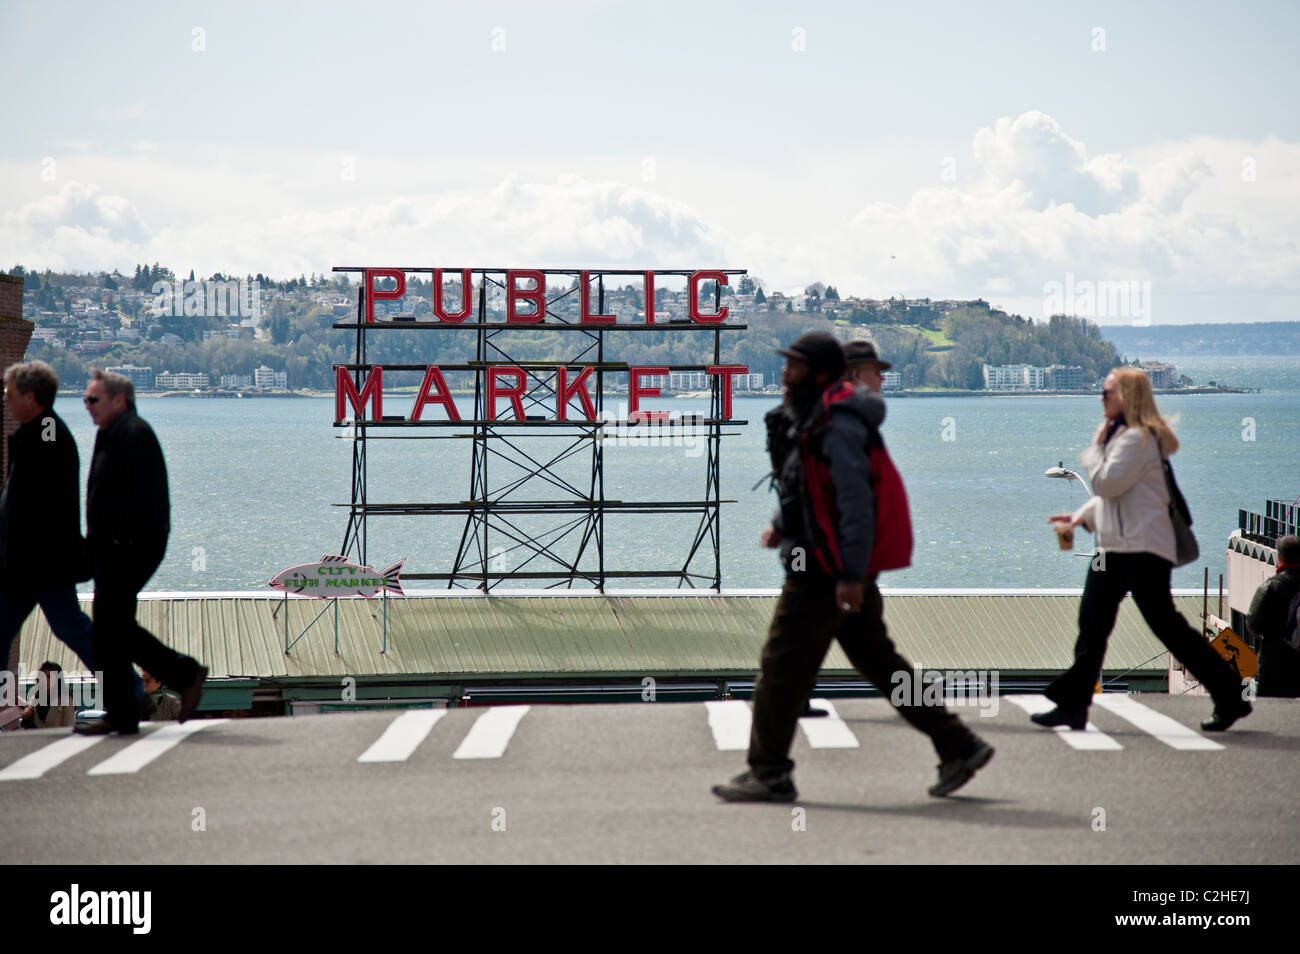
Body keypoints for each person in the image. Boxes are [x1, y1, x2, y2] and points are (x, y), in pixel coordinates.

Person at [713, 332, 993, 802]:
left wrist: (849, 575)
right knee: (878, 661)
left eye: (794, 366)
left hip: (824, 568)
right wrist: (783, 524)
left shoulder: (835, 424)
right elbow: (808, 487)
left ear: (821, 374)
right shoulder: (817, 417)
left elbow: (855, 504)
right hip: (834, 562)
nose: (784, 373)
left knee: (780, 668)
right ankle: (959, 744)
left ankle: (769, 772)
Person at [1037, 367, 1251, 732]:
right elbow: (1117, 498)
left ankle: (1230, 694)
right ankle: (1074, 704)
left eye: (1107, 393)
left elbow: (1107, 483)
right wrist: (1081, 518)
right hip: (1117, 548)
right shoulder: (1125, 436)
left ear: (1126, 398)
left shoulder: (1136, 439)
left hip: (1141, 551)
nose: (1101, 399)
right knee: (1093, 623)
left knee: (1164, 627)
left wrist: (1094, 449)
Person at [74, 369, 206, 736]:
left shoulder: (133, 434)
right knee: (112, 629)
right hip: (115, 548)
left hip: (128, 548)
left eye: (93, 399)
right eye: (86, 399)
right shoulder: (113, 433)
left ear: (121, 399)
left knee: (111, 627)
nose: (87, 406)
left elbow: (140, 501)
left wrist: (116, 543)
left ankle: (181, 675)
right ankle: (133, 705)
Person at [0, 361, 97, 674]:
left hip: (42, 561)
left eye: (10, 392)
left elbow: (38, 503)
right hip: (29, 562)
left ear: (30, 397)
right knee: (69, 628)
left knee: (72, 628)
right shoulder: (39, 432)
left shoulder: (47, 432)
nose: (5, 399)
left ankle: (131, 691)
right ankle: (131, 691)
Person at [1245, 534, 1300, 697]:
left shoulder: (1271, 587)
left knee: (1272, 714)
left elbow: (1253, 624)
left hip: (1275, 666)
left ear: (1280, 557)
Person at [20, 661, 77, 729]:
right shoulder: (35, 699)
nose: (45, 680)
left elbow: (69, 727)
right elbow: (26, 727)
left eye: (49, 677)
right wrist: (26, 716)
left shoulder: (66, 701)